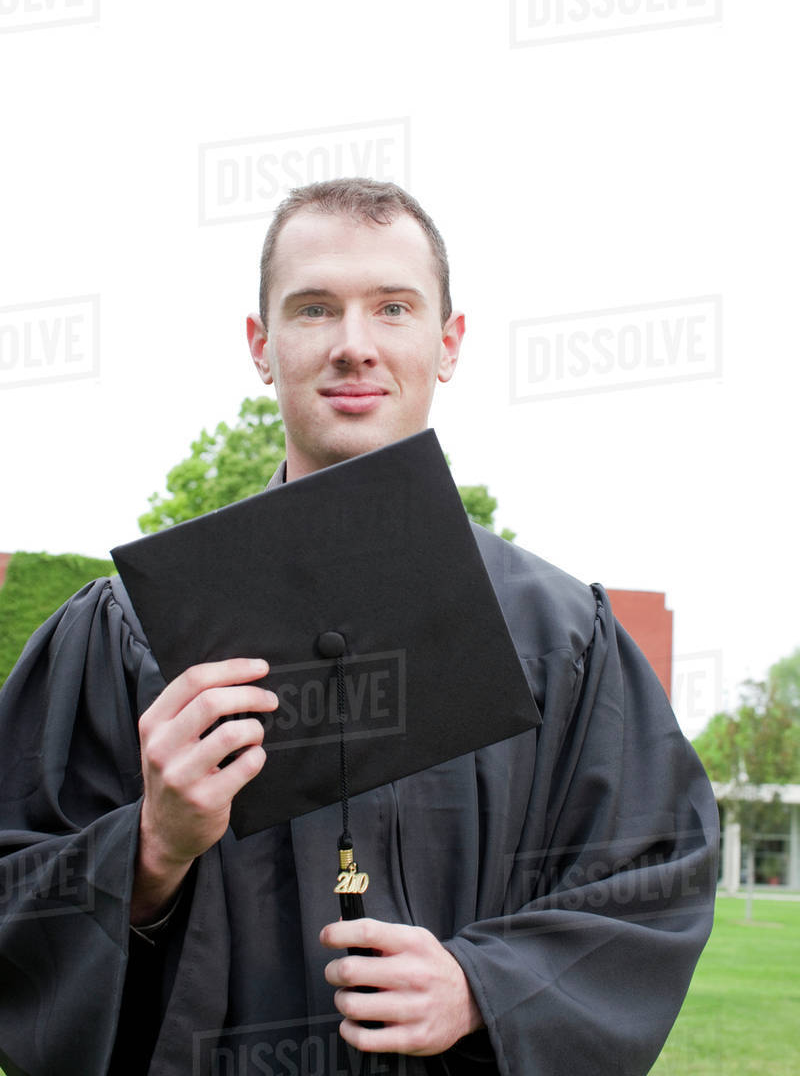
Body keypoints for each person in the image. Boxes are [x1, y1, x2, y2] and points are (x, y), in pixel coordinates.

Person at [0, 178, 718, 1076]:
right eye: (313, 309)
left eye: (392, 308)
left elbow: (656, 880)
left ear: (447, 343)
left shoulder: (562, 640)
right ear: (261, 347)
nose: (354, 346)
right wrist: (147, 850)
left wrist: (483, 985)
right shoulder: (127, 631)